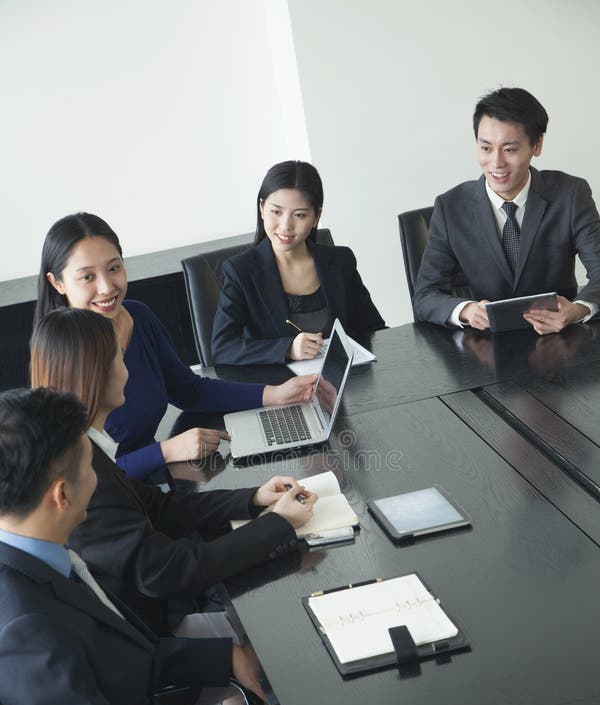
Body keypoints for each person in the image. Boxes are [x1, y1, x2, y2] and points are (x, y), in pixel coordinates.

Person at [0, 387, 348, 705]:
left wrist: (224, 657)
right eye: (89, 465)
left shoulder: (34, 562)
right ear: (60, 494)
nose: (101, 475)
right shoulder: (22, 627)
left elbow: (116, 660)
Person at [30, 308, 316, 647]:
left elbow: (159, 507)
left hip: (152, 614)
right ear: (96, 375)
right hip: (153, 639)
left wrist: (253, 499)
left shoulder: (83, 445)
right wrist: (279, 523)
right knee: (295, 635)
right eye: (120, 359)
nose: (128, 371)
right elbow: (173, 570)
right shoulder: (84, 472)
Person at [35, 212, 317, 480]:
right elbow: (78, 477)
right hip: (109, 508)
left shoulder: (138, 317)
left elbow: (189, 391)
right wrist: (165, 451)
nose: (107, 287)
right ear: (57, 282)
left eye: (114, 267)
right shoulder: (61, 357)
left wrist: (275, 394)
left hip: (158, 486)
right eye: (87, 277)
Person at [412, 87, 600, 334]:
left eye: (510, 149)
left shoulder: (571, 194)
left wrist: (577, 310)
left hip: (559, 342)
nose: (496, 163)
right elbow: (426, 295)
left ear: (537, 145)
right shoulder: (450, 207)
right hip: (482, 350)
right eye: (486, 148)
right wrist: (466, 310)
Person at [211, 159, 386, 365]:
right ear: (261, 208)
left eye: (300, 215)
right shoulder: (240, 271)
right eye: (276, 212)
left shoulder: (341, 261)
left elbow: (374, 330)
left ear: (316, 216)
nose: (286, 226)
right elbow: (222, 347)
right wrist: (288, 349)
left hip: (345, 384)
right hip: (280, 389)